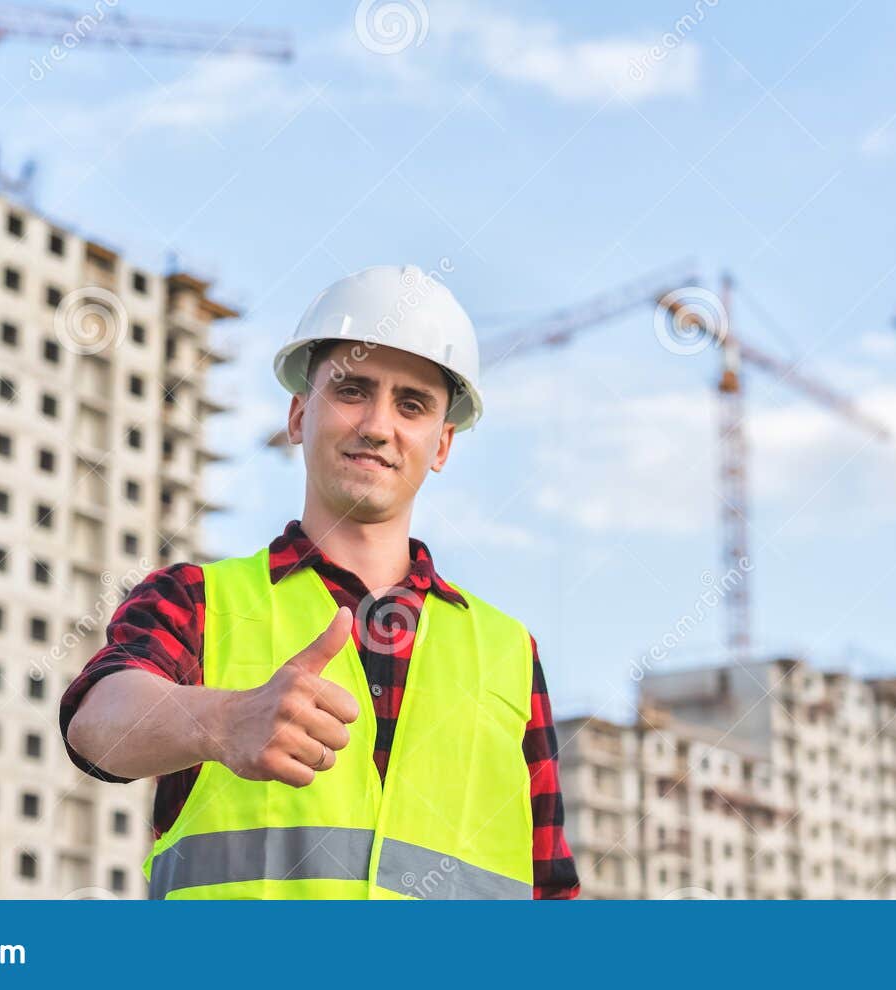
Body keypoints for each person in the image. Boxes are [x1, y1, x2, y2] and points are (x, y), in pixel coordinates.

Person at [60, 265, 579, 899]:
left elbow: (552, 893)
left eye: (411, 404)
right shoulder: (199, 599)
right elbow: (97, 724)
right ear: (300, 414)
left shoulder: (509, 653)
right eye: (353, 390)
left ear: (441, 444)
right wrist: (222, 721)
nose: (378, 426)